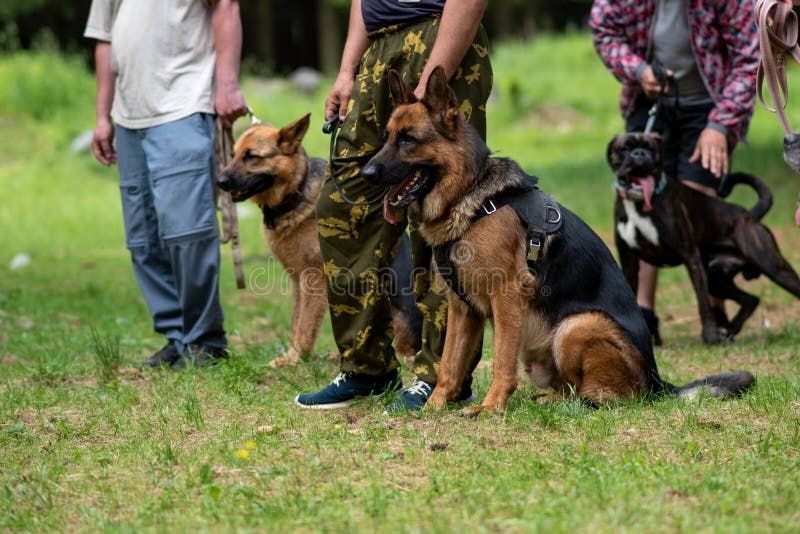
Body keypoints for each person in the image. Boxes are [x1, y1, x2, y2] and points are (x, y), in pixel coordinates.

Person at [295, 0, 493, 410]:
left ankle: (443, 377)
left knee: (445, 208)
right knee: (342, 204)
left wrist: (434, 74)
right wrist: (348, 69)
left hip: (440, 34)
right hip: (377, 48)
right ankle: (366, 369)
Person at [84, 0, 248, 369]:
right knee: (143, 239)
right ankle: (178, 336)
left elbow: (226, 7)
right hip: (128, 116)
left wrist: (227, 86)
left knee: (187, 232)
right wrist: (101, 116)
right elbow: (104, 39)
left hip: (183, 104)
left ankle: (205, 340)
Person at [589, 0, 759, 343]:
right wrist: (638, 71)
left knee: (700, 201)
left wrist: (721, 124)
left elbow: (749, 59)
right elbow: (603, 28)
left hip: (711, 105)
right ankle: (644, 317)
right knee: (644, 200)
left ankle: (716, 313)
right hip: (650, 102)